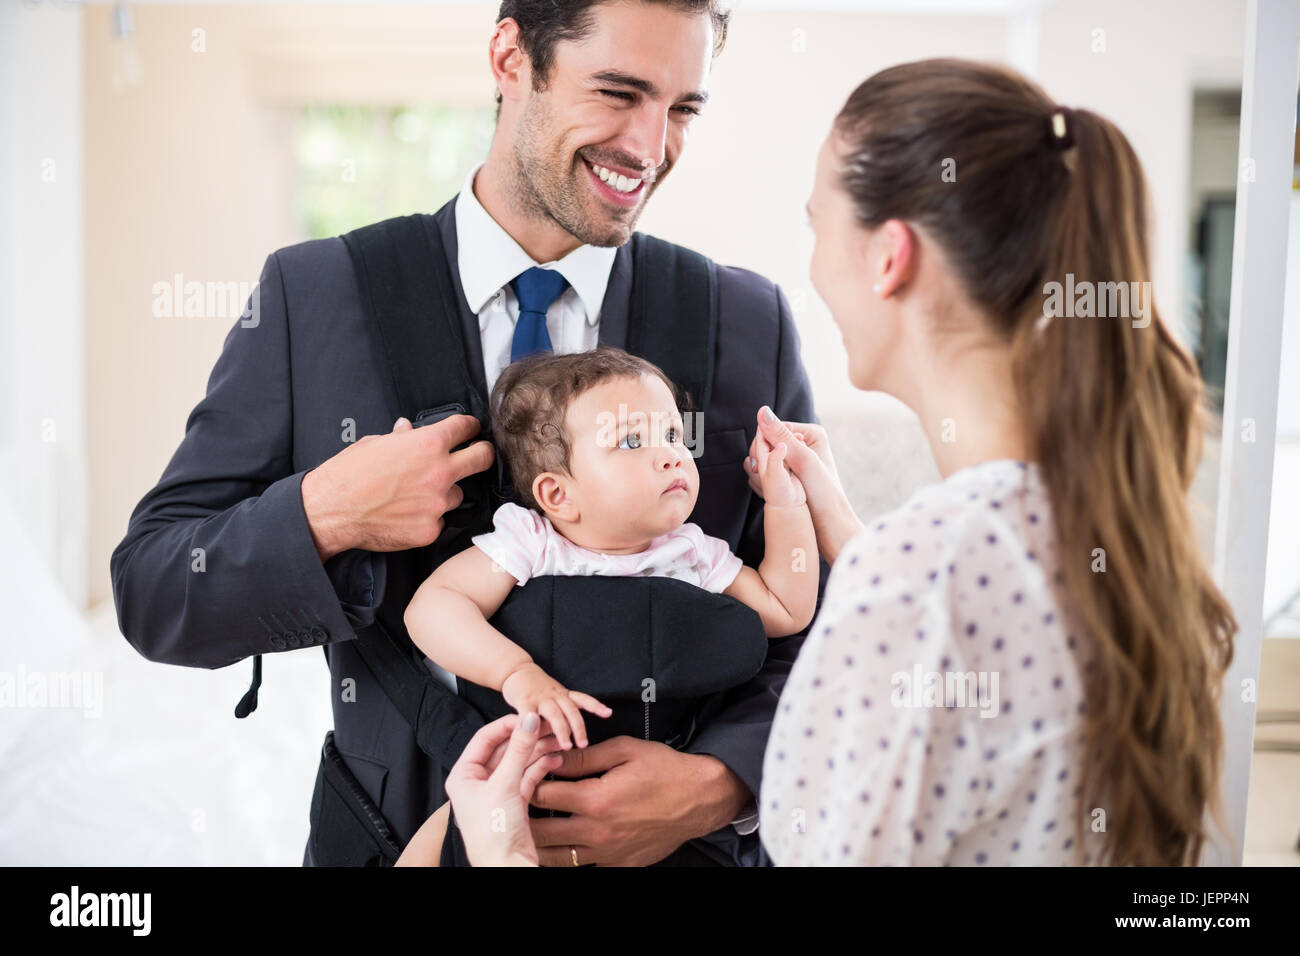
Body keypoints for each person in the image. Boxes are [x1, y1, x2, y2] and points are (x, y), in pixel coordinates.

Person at [416, 57, 1238, 868]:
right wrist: (848, 534)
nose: (810, 267)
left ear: (889, 257)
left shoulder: (926, 578)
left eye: (818, 226)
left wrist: (504, 856)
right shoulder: (1086, 532)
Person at [110, 0, 830, 868]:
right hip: (387, 841)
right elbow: (155, 589)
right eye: (618, 91)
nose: (648, 147)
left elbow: (823, 623)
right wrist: (327, 514)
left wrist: (725, 779)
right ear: (509, 57)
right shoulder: (313, 297)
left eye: (681, 110)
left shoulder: (744, 320)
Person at [402, 347, 818, 865]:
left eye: (672, 435)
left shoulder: (690, 552)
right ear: (558, 495)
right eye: (630, 440)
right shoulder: (534, 542)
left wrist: (787, 503)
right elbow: (433, 608)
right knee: (445, 834)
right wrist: (516, 673)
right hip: (531, 782)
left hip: (658, 798)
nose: (670, 454)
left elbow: (785, 609)